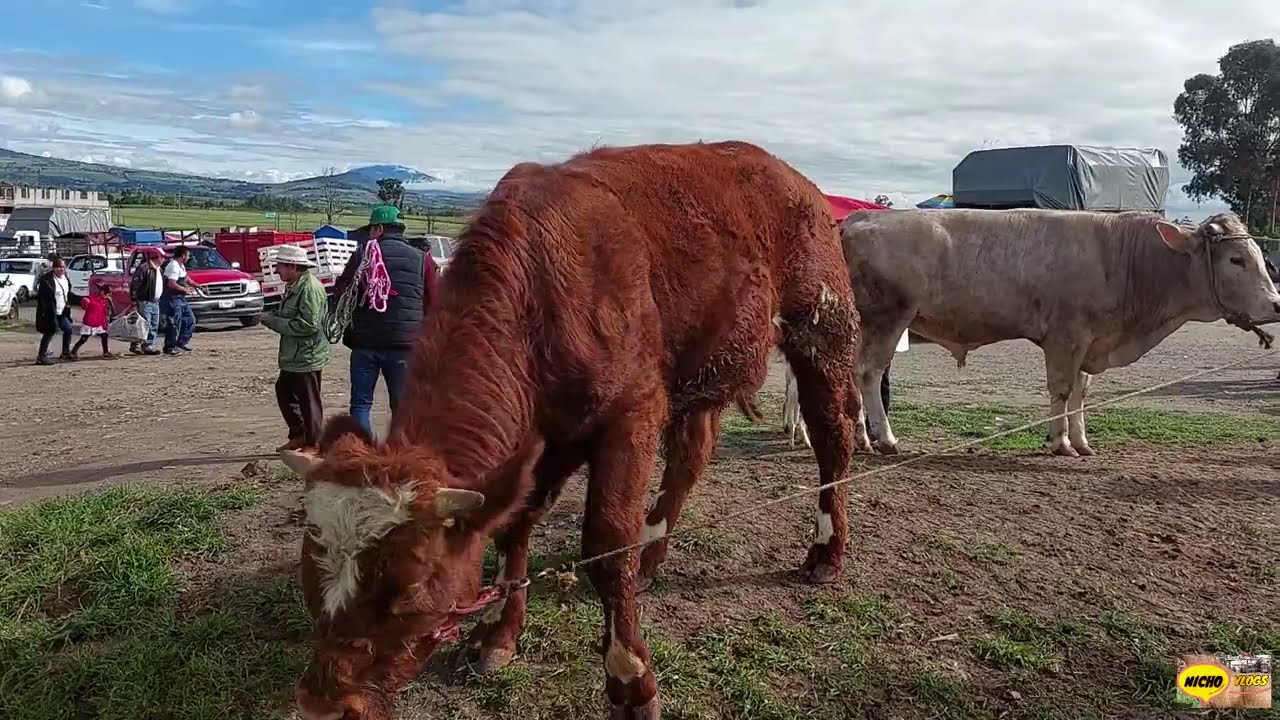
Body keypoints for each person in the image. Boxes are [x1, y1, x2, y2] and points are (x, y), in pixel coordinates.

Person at [333, 204, 439, 435]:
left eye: (371, 229)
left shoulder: (362, 255)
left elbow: (341, 292)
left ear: (379, 229)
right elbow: (434, 304)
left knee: (361, 404)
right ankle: (400, 456)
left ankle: (361, 456)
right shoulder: (423, 260)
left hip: (365, 344)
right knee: (402, 406)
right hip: (405, 347)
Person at [260, 245, 331, 451]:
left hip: (306, 354)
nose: (276, 270)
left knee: (308, 402)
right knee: (285, 391)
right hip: (296, 354)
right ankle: (300, 434)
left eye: (279, 265)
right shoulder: (295, 285)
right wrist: (272, 317)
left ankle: (314, 443)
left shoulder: (309, 289)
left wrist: (273, 322)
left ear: (292, 266)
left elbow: (308, 325)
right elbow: (293, 316)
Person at [160, 246, 201, 355]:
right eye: (187, 255)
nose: (188, 257)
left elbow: (185, 278)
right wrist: (185, 289)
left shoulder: (181, 266)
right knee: (174, 323)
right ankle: (169, 346)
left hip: (181, 298)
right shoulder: (173, 266)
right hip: (173, 298)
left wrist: (196, 285)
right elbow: (171, 284)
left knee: (190, 319)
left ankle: (182, 342)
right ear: (183, 255)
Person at [35, 256, 74, 365]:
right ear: (54, 268)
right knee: (49, 333)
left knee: (68, 329)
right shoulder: (47, 280)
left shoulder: (65, 278)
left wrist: (80, 299)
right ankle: (41, 357)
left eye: (63, 267)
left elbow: (67, 294)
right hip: (50, 311)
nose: (61, 269)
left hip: (62, 311)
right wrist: (44, 313)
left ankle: (65, 353)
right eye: (58, 267)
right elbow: (42, 298)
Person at [128, 248, 164, 356]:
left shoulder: (158, 269)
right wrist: (134, 300)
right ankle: (141, 345)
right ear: (157, 258)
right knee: (144, 324)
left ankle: (147, 344)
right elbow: (135, 284)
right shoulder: (144, 268)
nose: (164, 259)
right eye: (162, 257)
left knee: (154, 324)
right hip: (145, 300)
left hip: (155, 301)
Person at [70, 284, 117, 359]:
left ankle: (106, 352)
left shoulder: (105, 301)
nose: (108, 296)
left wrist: (105, 322)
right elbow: (83, 305)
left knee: (104, 335)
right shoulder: (91, 299)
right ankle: (73, 352)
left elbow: (110, 312)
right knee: (84, 338)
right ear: (102, 292)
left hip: (99, 322)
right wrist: (84, 302)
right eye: (107, 294)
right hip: (90, 322)